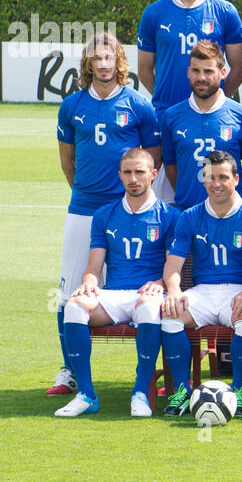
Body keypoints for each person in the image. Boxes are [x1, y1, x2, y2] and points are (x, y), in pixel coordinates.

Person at [51, 34, 160, 397]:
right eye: (95, 58)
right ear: (87, 63)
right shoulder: (71, 106)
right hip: (83, 210)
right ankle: (70, 370)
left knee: (136, 292)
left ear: (119, 62)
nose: (102, 64)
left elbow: (151, 161)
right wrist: (86, 194)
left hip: (129, 213)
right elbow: (68, 162)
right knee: (71, 292)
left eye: (108, 57)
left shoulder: (140, 106)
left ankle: (145, 374)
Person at [55, 148, 179, 417]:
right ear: (119, 175)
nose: (133, 178)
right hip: (112, 294)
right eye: (127, 172)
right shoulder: (104, 215)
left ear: (154, 174)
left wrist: (160, 281)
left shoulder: (170, 216)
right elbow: (94, 267)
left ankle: (140, 392)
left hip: (147, 294)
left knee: (148, 308)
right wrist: (88, 283)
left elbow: (172, 266)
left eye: (139, 172)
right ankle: (86, 395)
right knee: (74, 306)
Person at [158, 151, 242, 417]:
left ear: (236, 179)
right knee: (170, 313)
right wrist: (172, 290)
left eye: (223, 177)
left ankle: (238, 392)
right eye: (210, 177)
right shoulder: (190, 216)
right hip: (202, 292)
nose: (216, 183)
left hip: (237, 291)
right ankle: (182, 391)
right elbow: (173, 264)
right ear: (203, 180)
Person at [136, 0, 242, 113]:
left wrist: (214, 101)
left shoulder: (225, 12)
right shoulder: (153, 13)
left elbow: (239, 69)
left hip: (211, 114)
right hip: (166, 114)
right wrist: (166, 100)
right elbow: (144, 70)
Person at [160, 41, 242, 210]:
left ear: (223, 72)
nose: (201, 78)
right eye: (196, 70)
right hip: (186, 212)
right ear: (188, 72)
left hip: (229, 215)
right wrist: (185, 195)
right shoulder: (171, 117)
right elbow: (170, 164)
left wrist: (236, 194)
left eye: (208, 71)